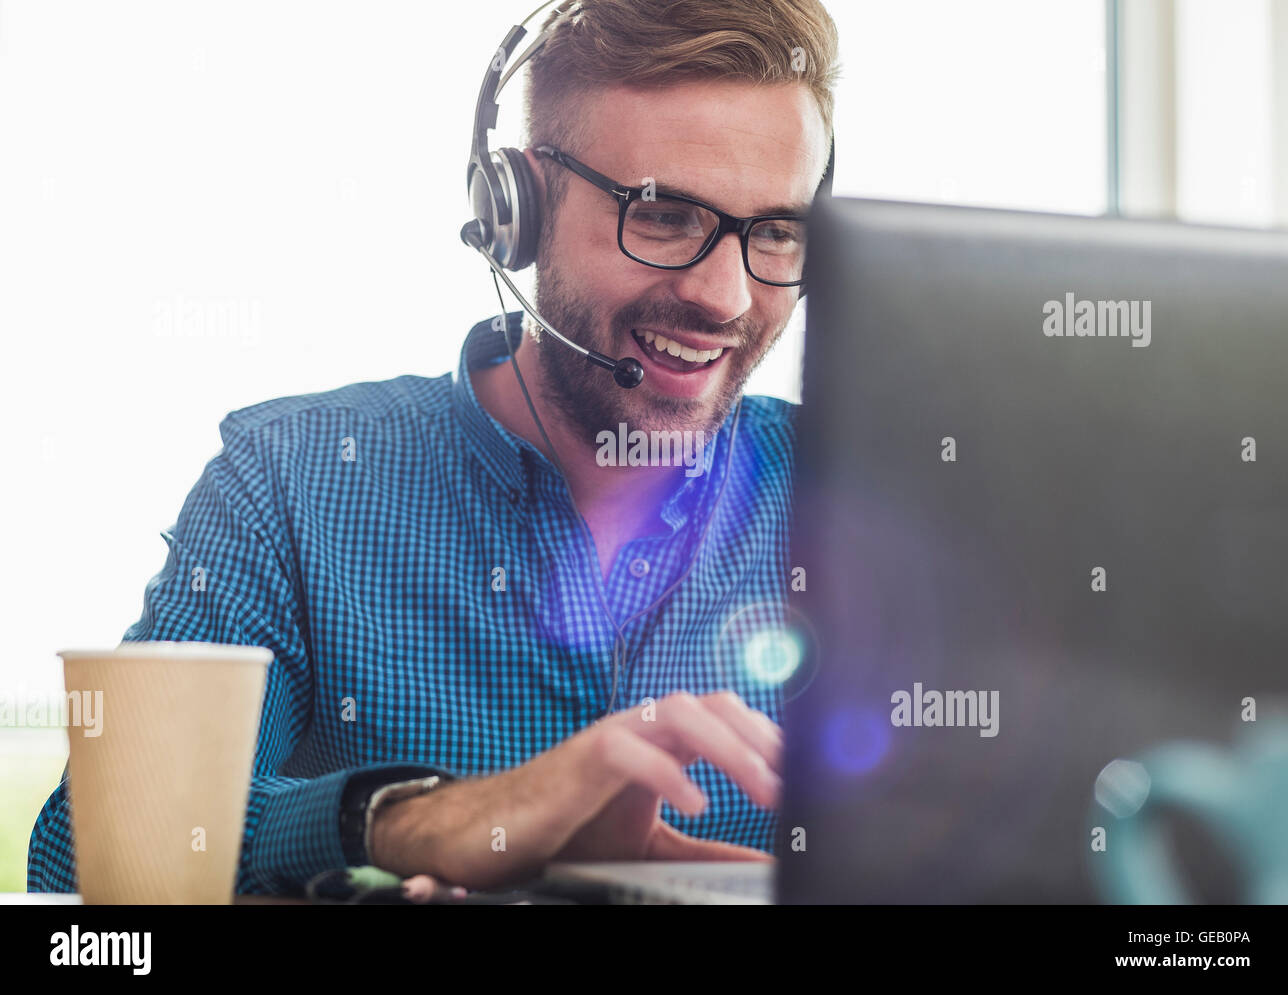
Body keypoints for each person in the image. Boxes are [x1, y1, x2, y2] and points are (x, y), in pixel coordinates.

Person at [28, 0, 839, 895]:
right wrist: (402, 822)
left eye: (774, 232)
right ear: (518, 208)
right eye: (664, 217)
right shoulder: (289, 484)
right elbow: (91, 862)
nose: (724, 297)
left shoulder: (865, 495)